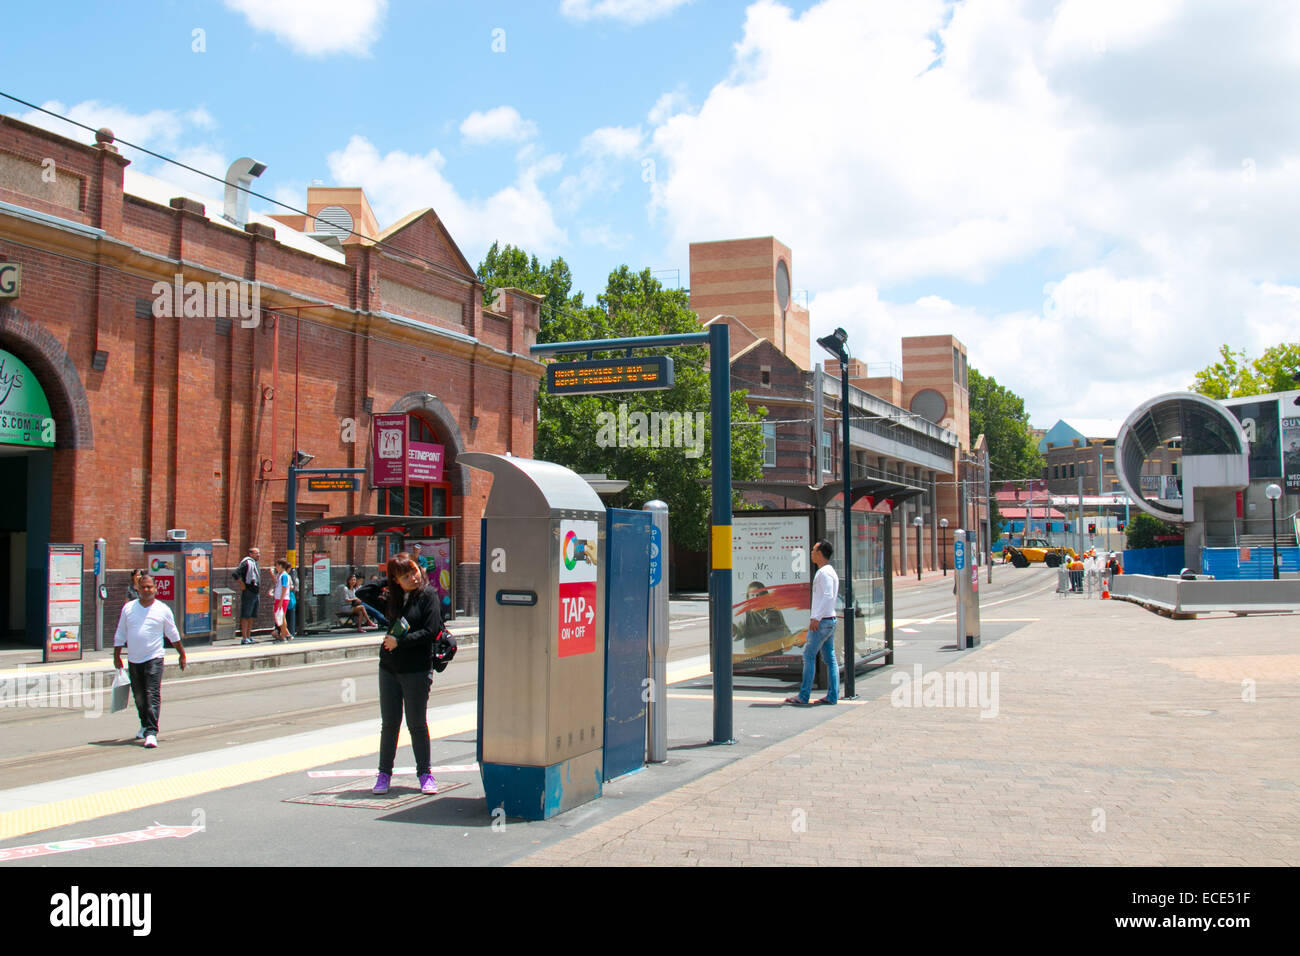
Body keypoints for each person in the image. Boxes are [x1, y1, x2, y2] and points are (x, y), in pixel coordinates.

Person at [373, 552, 443, 797]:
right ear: (396, 579)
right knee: (389, 724)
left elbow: (431, 630)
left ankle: (425, 773)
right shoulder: (392, 597)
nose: (414, 577)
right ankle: (384, 774)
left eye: (414, 570)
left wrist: (399, 643)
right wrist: (388, 582)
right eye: (406, 575)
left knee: (416, 724)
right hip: (389, 668)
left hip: (416, 669)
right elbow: (363, 594)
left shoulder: (428, 596)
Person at [113, 573, 187, 748]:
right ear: (137, 589)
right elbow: (120, 632)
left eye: (149, 587)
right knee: (139, 696)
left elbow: (173, 634)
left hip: (154, 657)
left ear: (155, 589)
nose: (146, 590)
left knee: (151, 693)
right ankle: (145, 724)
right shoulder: (129, 608)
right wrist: (117, 655)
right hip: (134, 658)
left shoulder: (162, 609)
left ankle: (152, 732)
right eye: (143, 587)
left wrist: (181, 653)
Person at [786, 539, 839, 707]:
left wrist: (816, 617)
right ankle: (832, 695)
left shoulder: (824, 573)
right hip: (829, 620)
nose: (811, 553)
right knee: (830, 658)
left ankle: (804, 695)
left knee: (808, 656)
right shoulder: (829, 571)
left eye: (814, 550)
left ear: (820, 553)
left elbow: (828, 595)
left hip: (822, 622)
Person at [233, 547, 261, 645]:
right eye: (256, 553)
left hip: (255, 592)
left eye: (259, 553)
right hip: (248, 591)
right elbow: (235, 574)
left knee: (252, 615)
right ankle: (244, 637)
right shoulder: (247, 563)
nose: (258, 555)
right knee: (246, 614)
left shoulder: (255, 564)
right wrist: (241, 583)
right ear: (250, 554)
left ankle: (249, 636)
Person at [271, 559, 293, 642]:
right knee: (280, 617)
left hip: (282, 599)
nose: (276, 567)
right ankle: (286, 634)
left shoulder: (284, 575)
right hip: (280, 598)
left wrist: (280, 600)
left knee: (281, 617)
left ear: (280, 566)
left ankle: (284, 635)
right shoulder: (281, 575)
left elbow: (284, 588)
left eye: (277, 565)